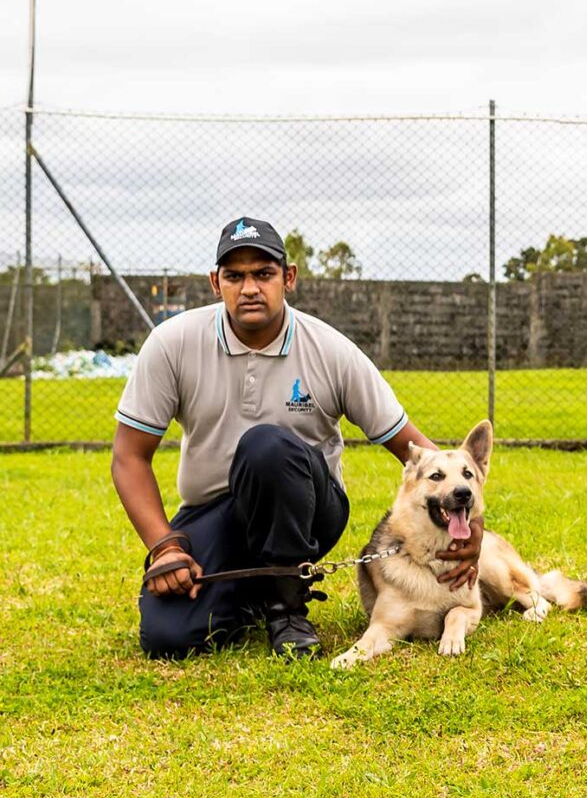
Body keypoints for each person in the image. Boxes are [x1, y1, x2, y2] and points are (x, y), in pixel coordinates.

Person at [112, 216, 481, 659]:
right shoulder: (172, 343)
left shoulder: (331, 350)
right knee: (171, 638)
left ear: (288, 278)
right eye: (235, 276)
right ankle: (251, 593)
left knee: (266, 446)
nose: (250, 288)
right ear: (216, 283)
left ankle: (287, 608)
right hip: (217, 510)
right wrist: (166, 547)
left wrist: (468, 526)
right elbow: (129, 457)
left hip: (308, 511)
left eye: (263, 274)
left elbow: (422, 456)